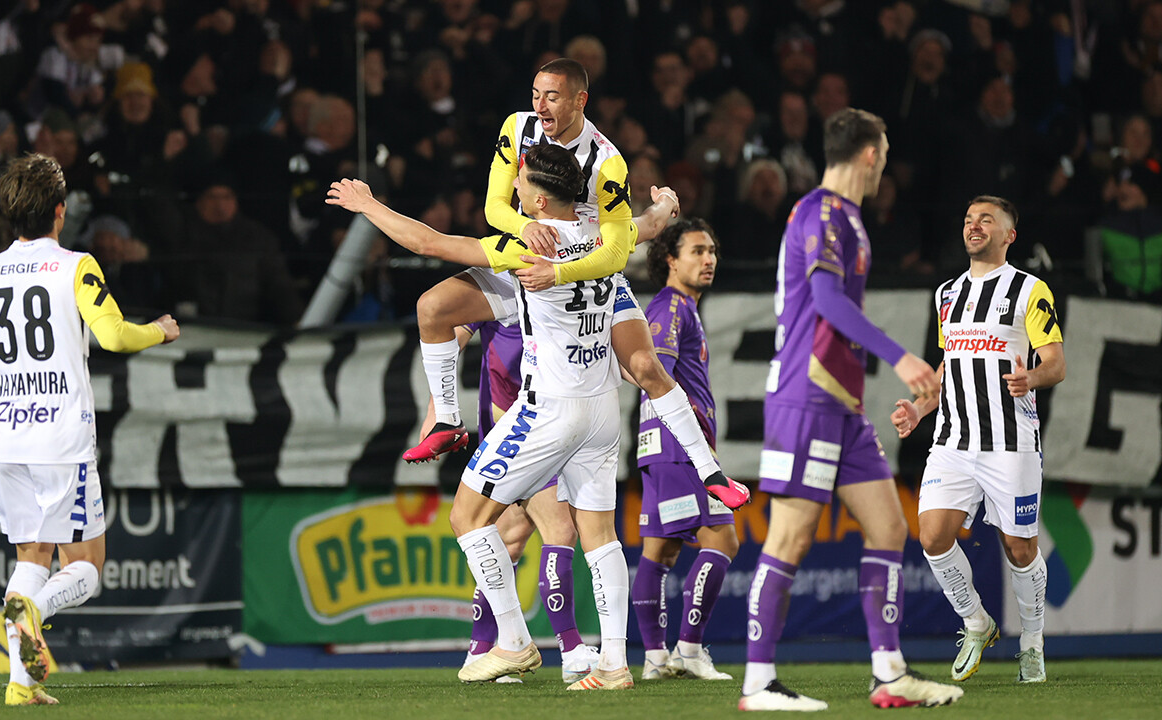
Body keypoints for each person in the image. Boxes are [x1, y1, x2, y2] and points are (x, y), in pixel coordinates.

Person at [328, 144, 634, 690]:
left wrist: (369, 205)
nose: (511, 192)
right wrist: (664, 204)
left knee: (468, 518)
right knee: (601, 537)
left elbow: (429, 243)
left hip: (551, 409)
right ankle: (613, 663)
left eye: (520, 186)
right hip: (604, 407)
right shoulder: (607, 239)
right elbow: (640, 224)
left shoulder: (526, 249)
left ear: (540, 199)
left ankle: (513, 642)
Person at [405, 58, 749, 511]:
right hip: (526, 261)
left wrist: (562, 270)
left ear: (579, 100)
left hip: (584, 272)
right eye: (535, 95)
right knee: (433, 308)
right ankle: (447, 422)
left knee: (645, 367)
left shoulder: (607, 161)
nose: (540, 106)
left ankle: (711, 472)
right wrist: (524, 227)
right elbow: (493, 207)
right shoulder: (517, 127)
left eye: (552, 97)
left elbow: (616, 249)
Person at [740, 108, 961, 711]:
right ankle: (758, 683)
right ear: (869, 154)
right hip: (805, 396)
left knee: (890, 525)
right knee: (790, 536)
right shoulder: (821, 213)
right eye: (884, 149)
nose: (886, 159)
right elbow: (827, 301)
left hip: (841, 404)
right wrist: (901, 357)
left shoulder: (847, 220)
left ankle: (889, 672)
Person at [0, 153, 179, 706]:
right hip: (61, 441)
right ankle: (37, 613)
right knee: (85, 567)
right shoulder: (74, 265)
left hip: (7, 440)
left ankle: (20, 685)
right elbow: (115, 338)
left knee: (30, 558)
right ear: (60, 212)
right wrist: (160, 330)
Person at [891, 195, 1064, 685]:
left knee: (1020, 548)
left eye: (987, 219)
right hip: (953, 439)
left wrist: (1032, 377)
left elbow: (1056, 362)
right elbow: (949, 366)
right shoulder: (947, 293)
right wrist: (920, 407)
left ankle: (1032, 643)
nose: (974, 226)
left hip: (1011, 442)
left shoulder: (1030, 290)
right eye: (968, 219)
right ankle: (977, 623)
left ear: (1009, 234)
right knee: (931, 536)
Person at [432, 320, 599, 684]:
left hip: (525, 426)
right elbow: (449, 334)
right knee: (560, 529)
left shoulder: (545, 285)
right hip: (526, 427)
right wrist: (439, 409)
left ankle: (480, 650)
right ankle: (572, 652)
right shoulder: (501, 280)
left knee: (507, 539)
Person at [631, 218, 738, 682]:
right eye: (696, 250)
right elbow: (654, 372)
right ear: (670, 259)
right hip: (678, 445)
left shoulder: (679, 308)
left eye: (711, 250)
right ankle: (689, 650)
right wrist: (697, 442)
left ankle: (656, 659)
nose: (708, 258)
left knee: (660, 550)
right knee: (723, 539)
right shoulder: (670, 307)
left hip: (658, 446)